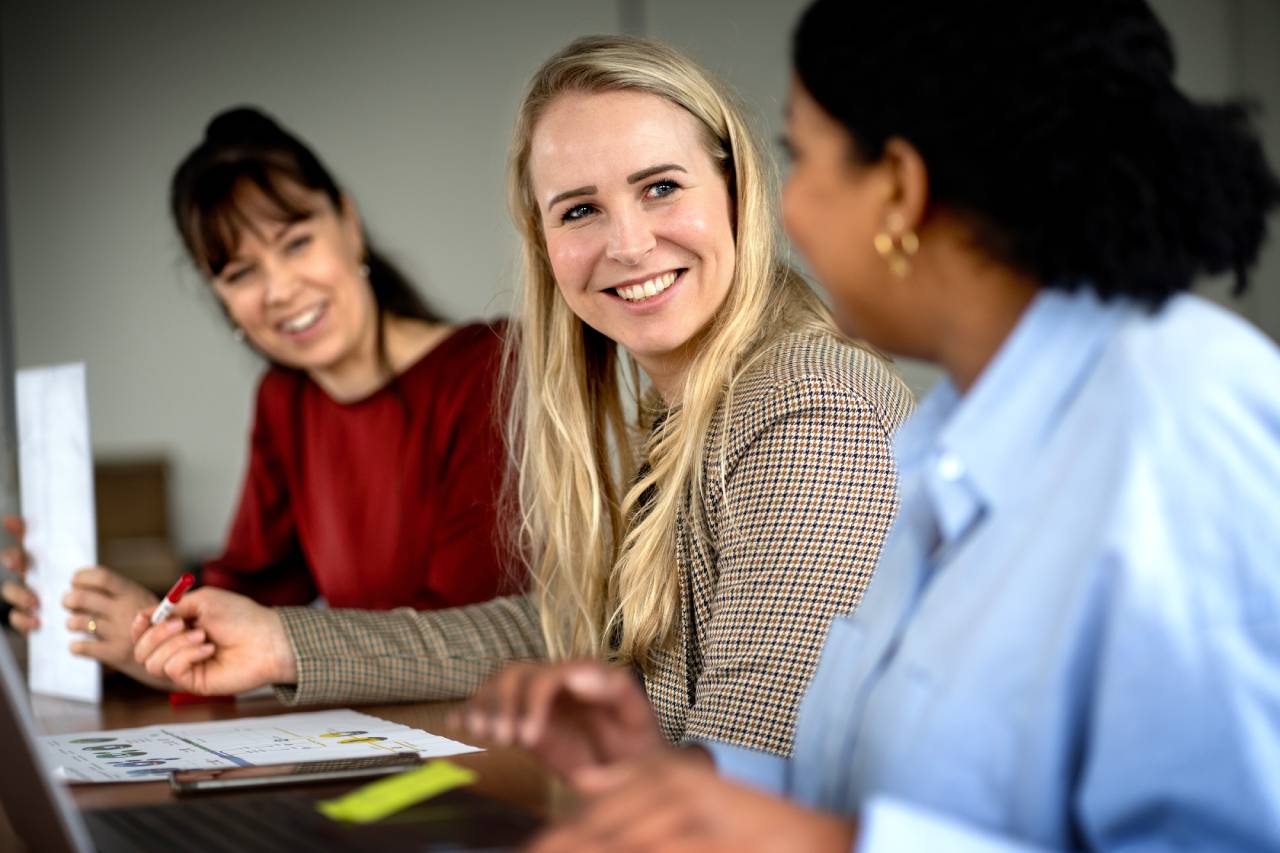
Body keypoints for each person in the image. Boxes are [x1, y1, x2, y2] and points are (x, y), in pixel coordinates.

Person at [470, 2, 1280, 850]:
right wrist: (668, 772)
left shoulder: (1183, 418)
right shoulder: (958, 437)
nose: (789, 211)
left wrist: (817, 841)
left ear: (898, 188)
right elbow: (877, 781)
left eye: (801, 159)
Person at [129, 36, 914, 758]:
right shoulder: (682, 414)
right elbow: (560, 628)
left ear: (738, 191)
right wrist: (280, 643)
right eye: (580, 210)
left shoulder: (807, 405)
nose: (628, 244)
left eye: (661, 187)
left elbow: (744, 770)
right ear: (545, 244)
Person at [1, 107, 513, 689]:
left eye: (296, 243)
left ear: (349, 225)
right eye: (241, 274)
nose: (280, 290)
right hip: (383, 726)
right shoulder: (285, 400)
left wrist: (235, 642)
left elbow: (471, 639)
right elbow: (246, 596)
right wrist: (116, 620)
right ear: (219, 298)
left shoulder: (490, 369)